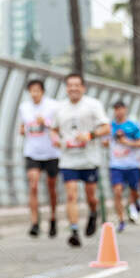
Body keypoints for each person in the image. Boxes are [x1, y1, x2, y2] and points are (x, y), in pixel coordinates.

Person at [53, 72, 109, 247]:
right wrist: (55, 139)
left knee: (91, 196)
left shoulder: (93, 105)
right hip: (68, 158)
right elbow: (53, 130)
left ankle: (93, 212)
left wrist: (90, 135)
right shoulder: (60, 108)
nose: (73, 88)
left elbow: (106, 127)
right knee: (71, 194)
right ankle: (74, 231)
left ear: (83, 87)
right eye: (70, 85)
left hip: (89, 158)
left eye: (77, 85)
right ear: (66, 88)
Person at [17, 77, 61, 238]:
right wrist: (22, 130)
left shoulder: (53, 106)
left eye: (37, 90)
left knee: (51, 187)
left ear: (42, 91)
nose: (34, 94)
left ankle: (53, 218)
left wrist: (47, 122)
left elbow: (59, 126)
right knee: (33, 185)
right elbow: (22, 125)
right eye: (31, 91)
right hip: (32, 152)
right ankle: (35, 223)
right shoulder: (24, 107)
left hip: (51, 153)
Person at [108, 100, 140, 234]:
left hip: (131, 165)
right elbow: (104, 141)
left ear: (125, 110)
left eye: (121, 109)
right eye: (116, 109)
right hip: (116, 165)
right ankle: (121, 220)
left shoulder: (132, 126)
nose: (118, 112)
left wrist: (128, 142)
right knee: (117, 191)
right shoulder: (110, 126)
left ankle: (135, 203)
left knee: (134, 191)